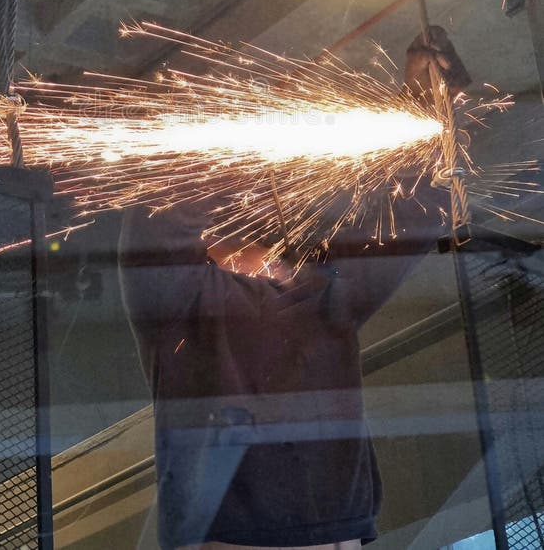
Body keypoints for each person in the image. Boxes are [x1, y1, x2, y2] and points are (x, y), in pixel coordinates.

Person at [118, 28, 470, 550]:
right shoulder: (181, 301)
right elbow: (160, 218)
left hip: (341, 532)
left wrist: (431, 104)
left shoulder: (323, 291)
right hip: (235, 538)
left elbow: (416, 215)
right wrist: (233, 135)